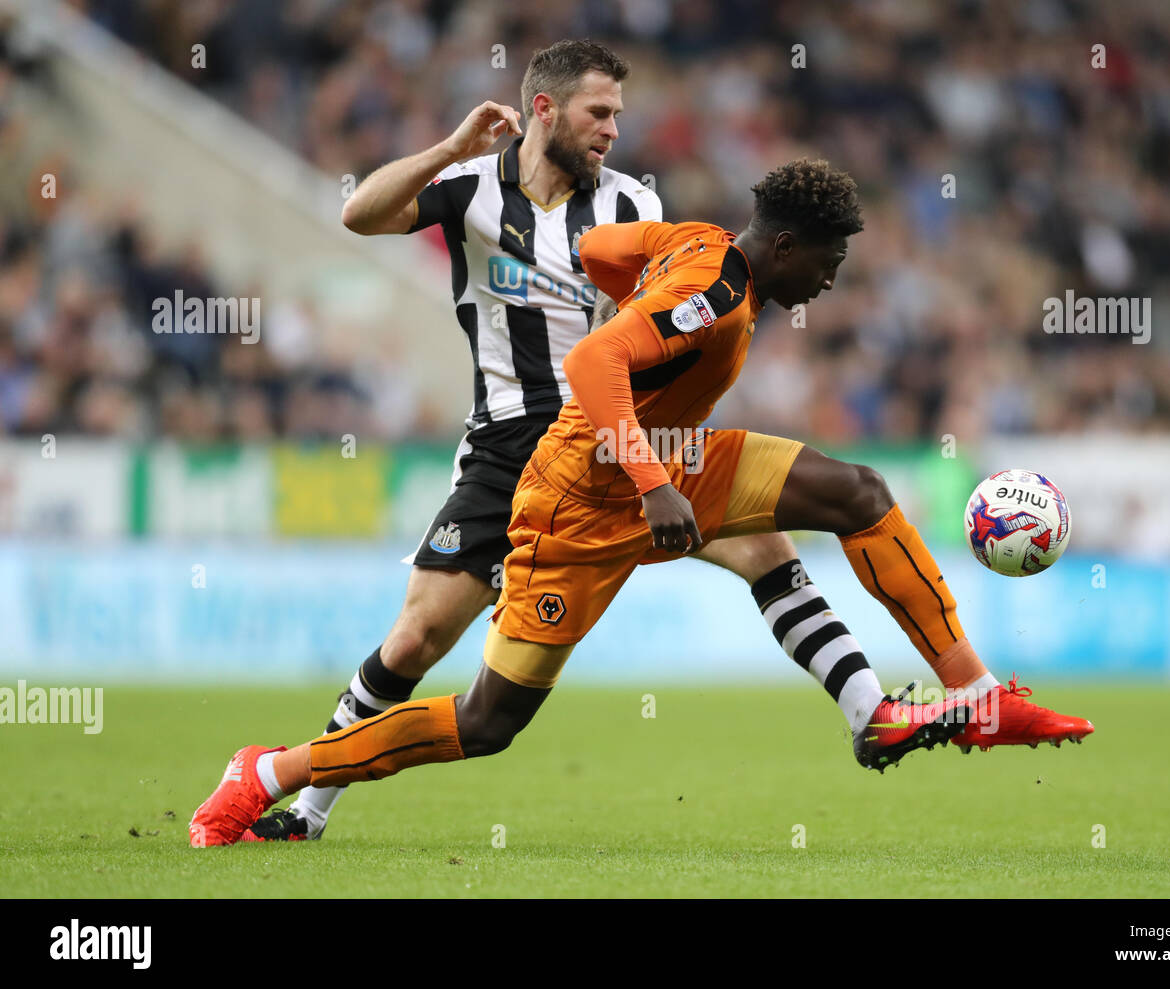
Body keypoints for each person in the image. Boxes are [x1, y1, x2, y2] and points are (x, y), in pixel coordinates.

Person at [190, 159, 1093, 848]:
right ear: (785, 247)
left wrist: (643, 341)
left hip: (661, 456)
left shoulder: (698, 244)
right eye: (832, 258)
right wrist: (654, 481)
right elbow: (593, 362)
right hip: (580, 494)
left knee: (856, 493)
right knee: (488, 720)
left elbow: (597, 252)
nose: (833, 278)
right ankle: (268, 771)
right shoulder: (714, 293)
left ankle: (970, 694)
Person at [244, 40, 899, 842]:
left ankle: (870, 712)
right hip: (508, 446)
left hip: (614, 439)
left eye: (618, 114)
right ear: (544, 109)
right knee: (417, 637)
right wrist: (449, 148)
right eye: (599, 113)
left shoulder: (633, 206)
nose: (613, 130)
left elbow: (664, 328)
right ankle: (307, 808)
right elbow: (359, 214)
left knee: (765, 546)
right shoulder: (471, 189)